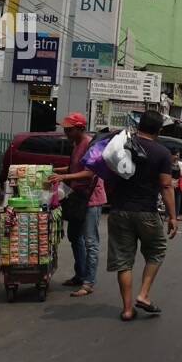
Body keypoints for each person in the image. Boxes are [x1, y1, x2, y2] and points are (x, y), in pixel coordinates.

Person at [105, 110, 179, 321]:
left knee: (124, 261)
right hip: (146, 211)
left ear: (139, 125)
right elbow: (166, 186)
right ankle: (143, 294)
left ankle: (127, 309)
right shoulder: (162, 153)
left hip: (118, 210)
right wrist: (173, 217)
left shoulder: (123, 145)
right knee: (157, 249)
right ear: (159, 130)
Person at [48, 113, 107, 298]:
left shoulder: (91, 146)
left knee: (91, 241)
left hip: (91, 199)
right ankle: (80, 274)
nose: (66, 132)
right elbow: (75, 169)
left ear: (80, 128)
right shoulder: (76, 145)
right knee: (74, 236)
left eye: (69, 129)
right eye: (65, 129)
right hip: (78, 198)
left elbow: (89, 173)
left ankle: (88, 282)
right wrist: (52, 170)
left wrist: (63, 177)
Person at [171, 151, 182, 218]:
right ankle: (167, 215)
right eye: (176, 155)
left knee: (178, 200)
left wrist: (178, 181)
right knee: (170, 200)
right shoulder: (168, 163)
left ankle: (177, 215)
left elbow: (181, 174)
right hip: (170, 183)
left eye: (178, 155)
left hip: (178, 183)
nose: (177, 157)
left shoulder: (180, 164)